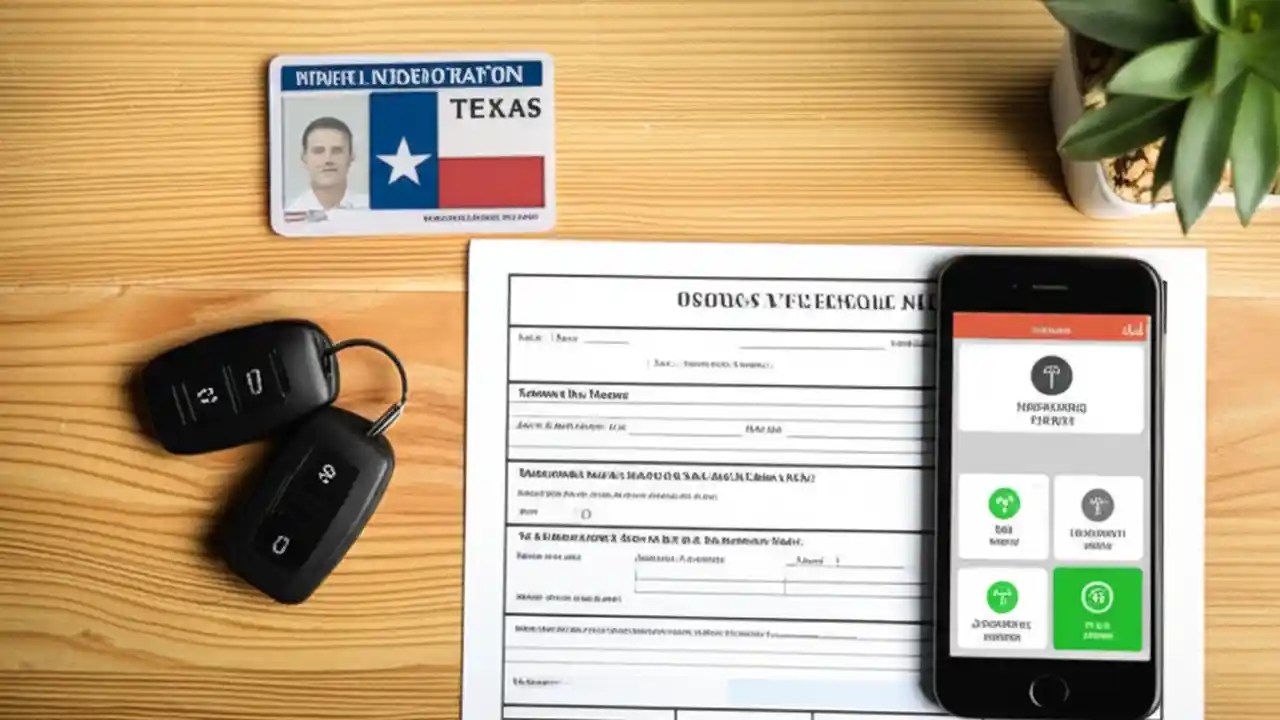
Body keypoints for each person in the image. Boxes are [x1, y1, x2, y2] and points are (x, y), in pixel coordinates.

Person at [287, 117, 369, 212]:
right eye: (318, 151)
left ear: (351, 156)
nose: (328, 159)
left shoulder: (374, 212)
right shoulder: (288, 215)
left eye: (337, 151)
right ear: (304, 158)